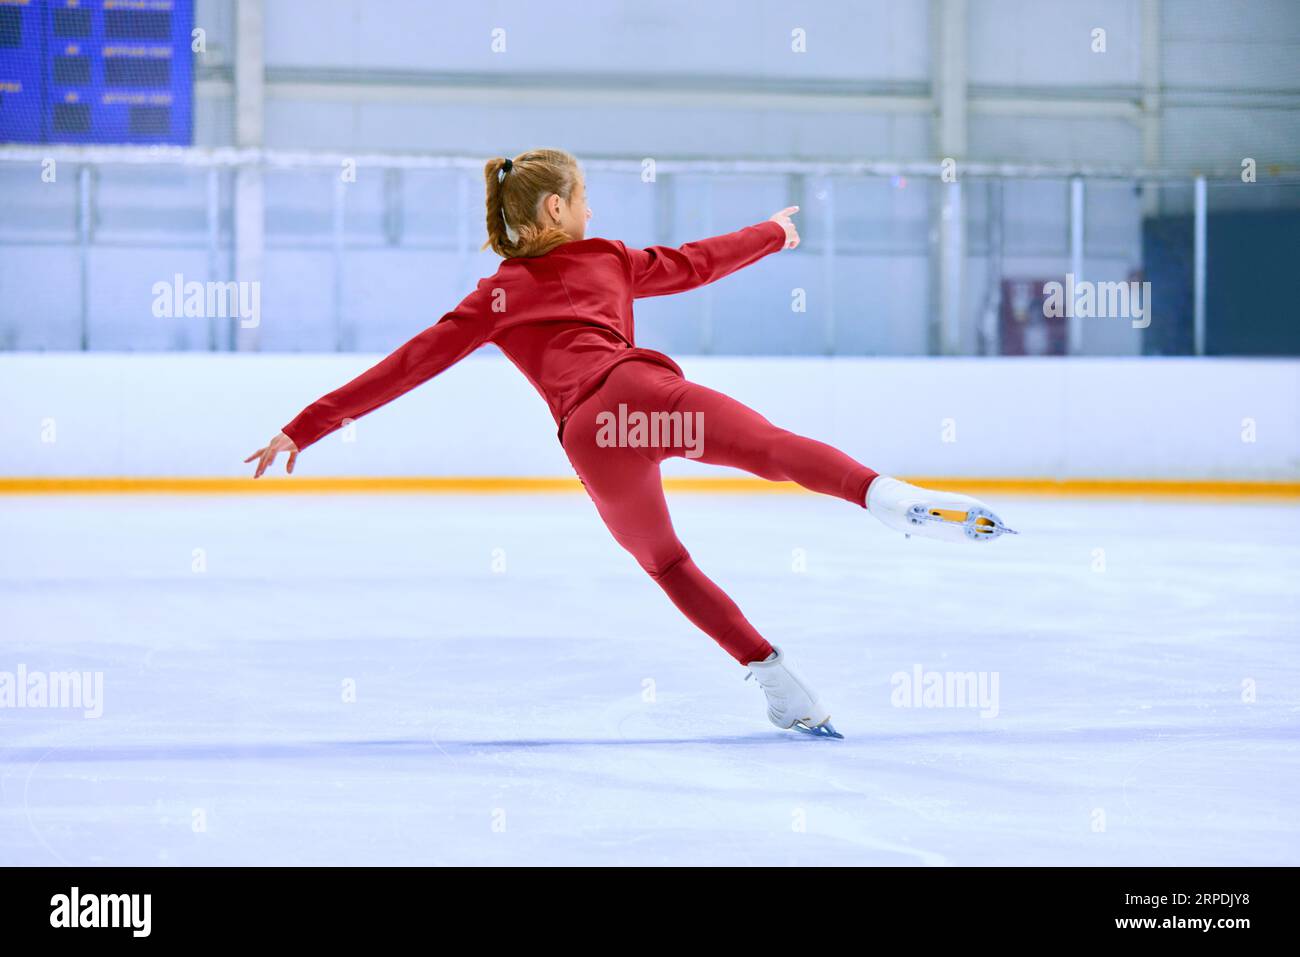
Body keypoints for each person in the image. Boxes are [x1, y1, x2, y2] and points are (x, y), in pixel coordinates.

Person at [246, 148, 1014, 739]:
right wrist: (774, 234)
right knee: (773, 448)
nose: (591, 207)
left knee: (667, 561)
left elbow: (409, 364)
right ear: (557, 205)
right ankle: (884, 497)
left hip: (592, 437)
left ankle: (774, 679)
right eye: (584, 196)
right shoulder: (608, 258)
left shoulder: (497, 295)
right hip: (645, 397)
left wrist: (305, 426)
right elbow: (695, 263)